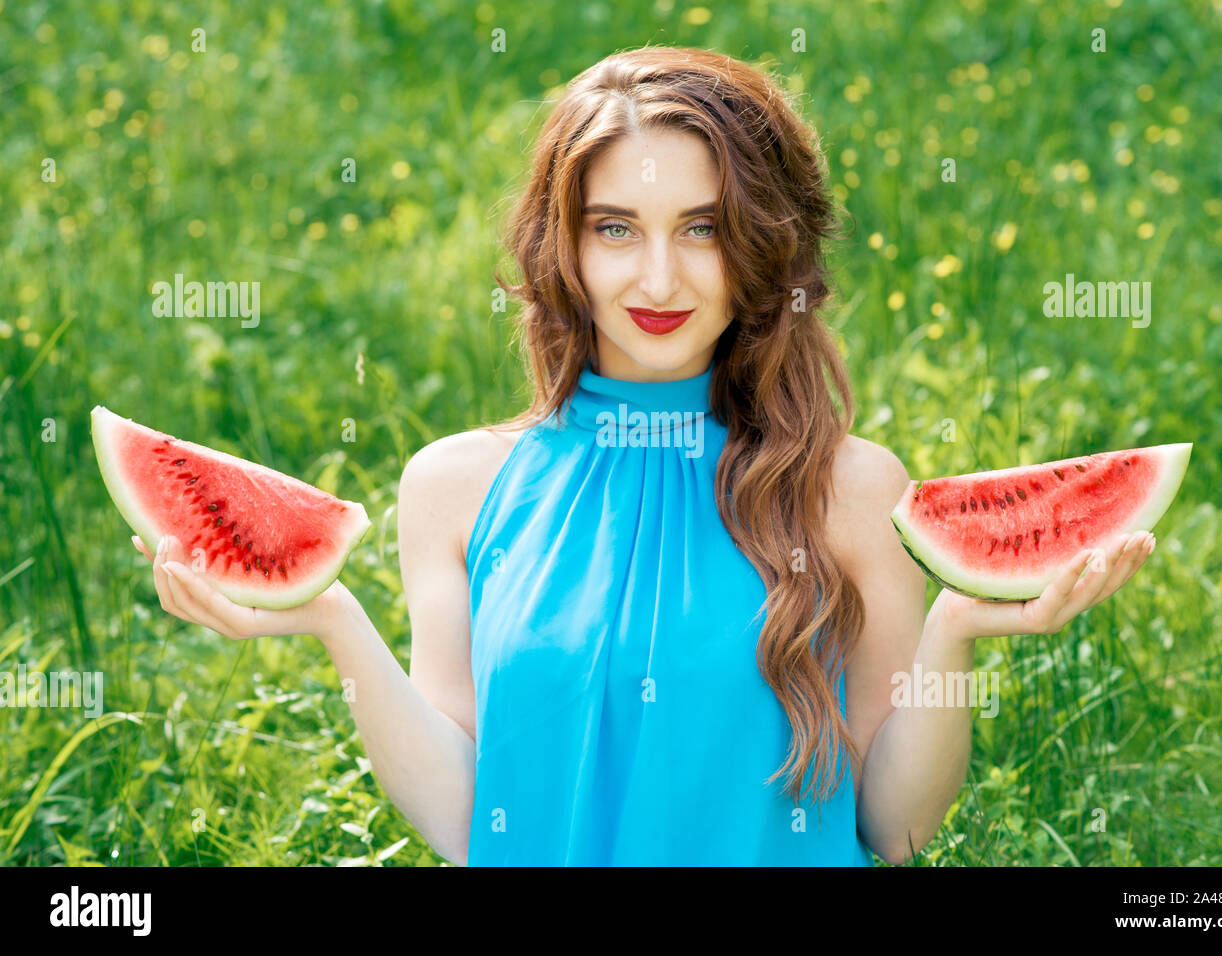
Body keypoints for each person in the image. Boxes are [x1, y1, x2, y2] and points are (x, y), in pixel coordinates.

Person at [137, 45, 1156, 866]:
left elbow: (893, 830)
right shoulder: (453, 487)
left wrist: (956, 629)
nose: (658, 276)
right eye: (615, 227)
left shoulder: (851, 489)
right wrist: (330, 617)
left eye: (702, 228)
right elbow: (468, 821)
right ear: (561, 249)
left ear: (762, 242)